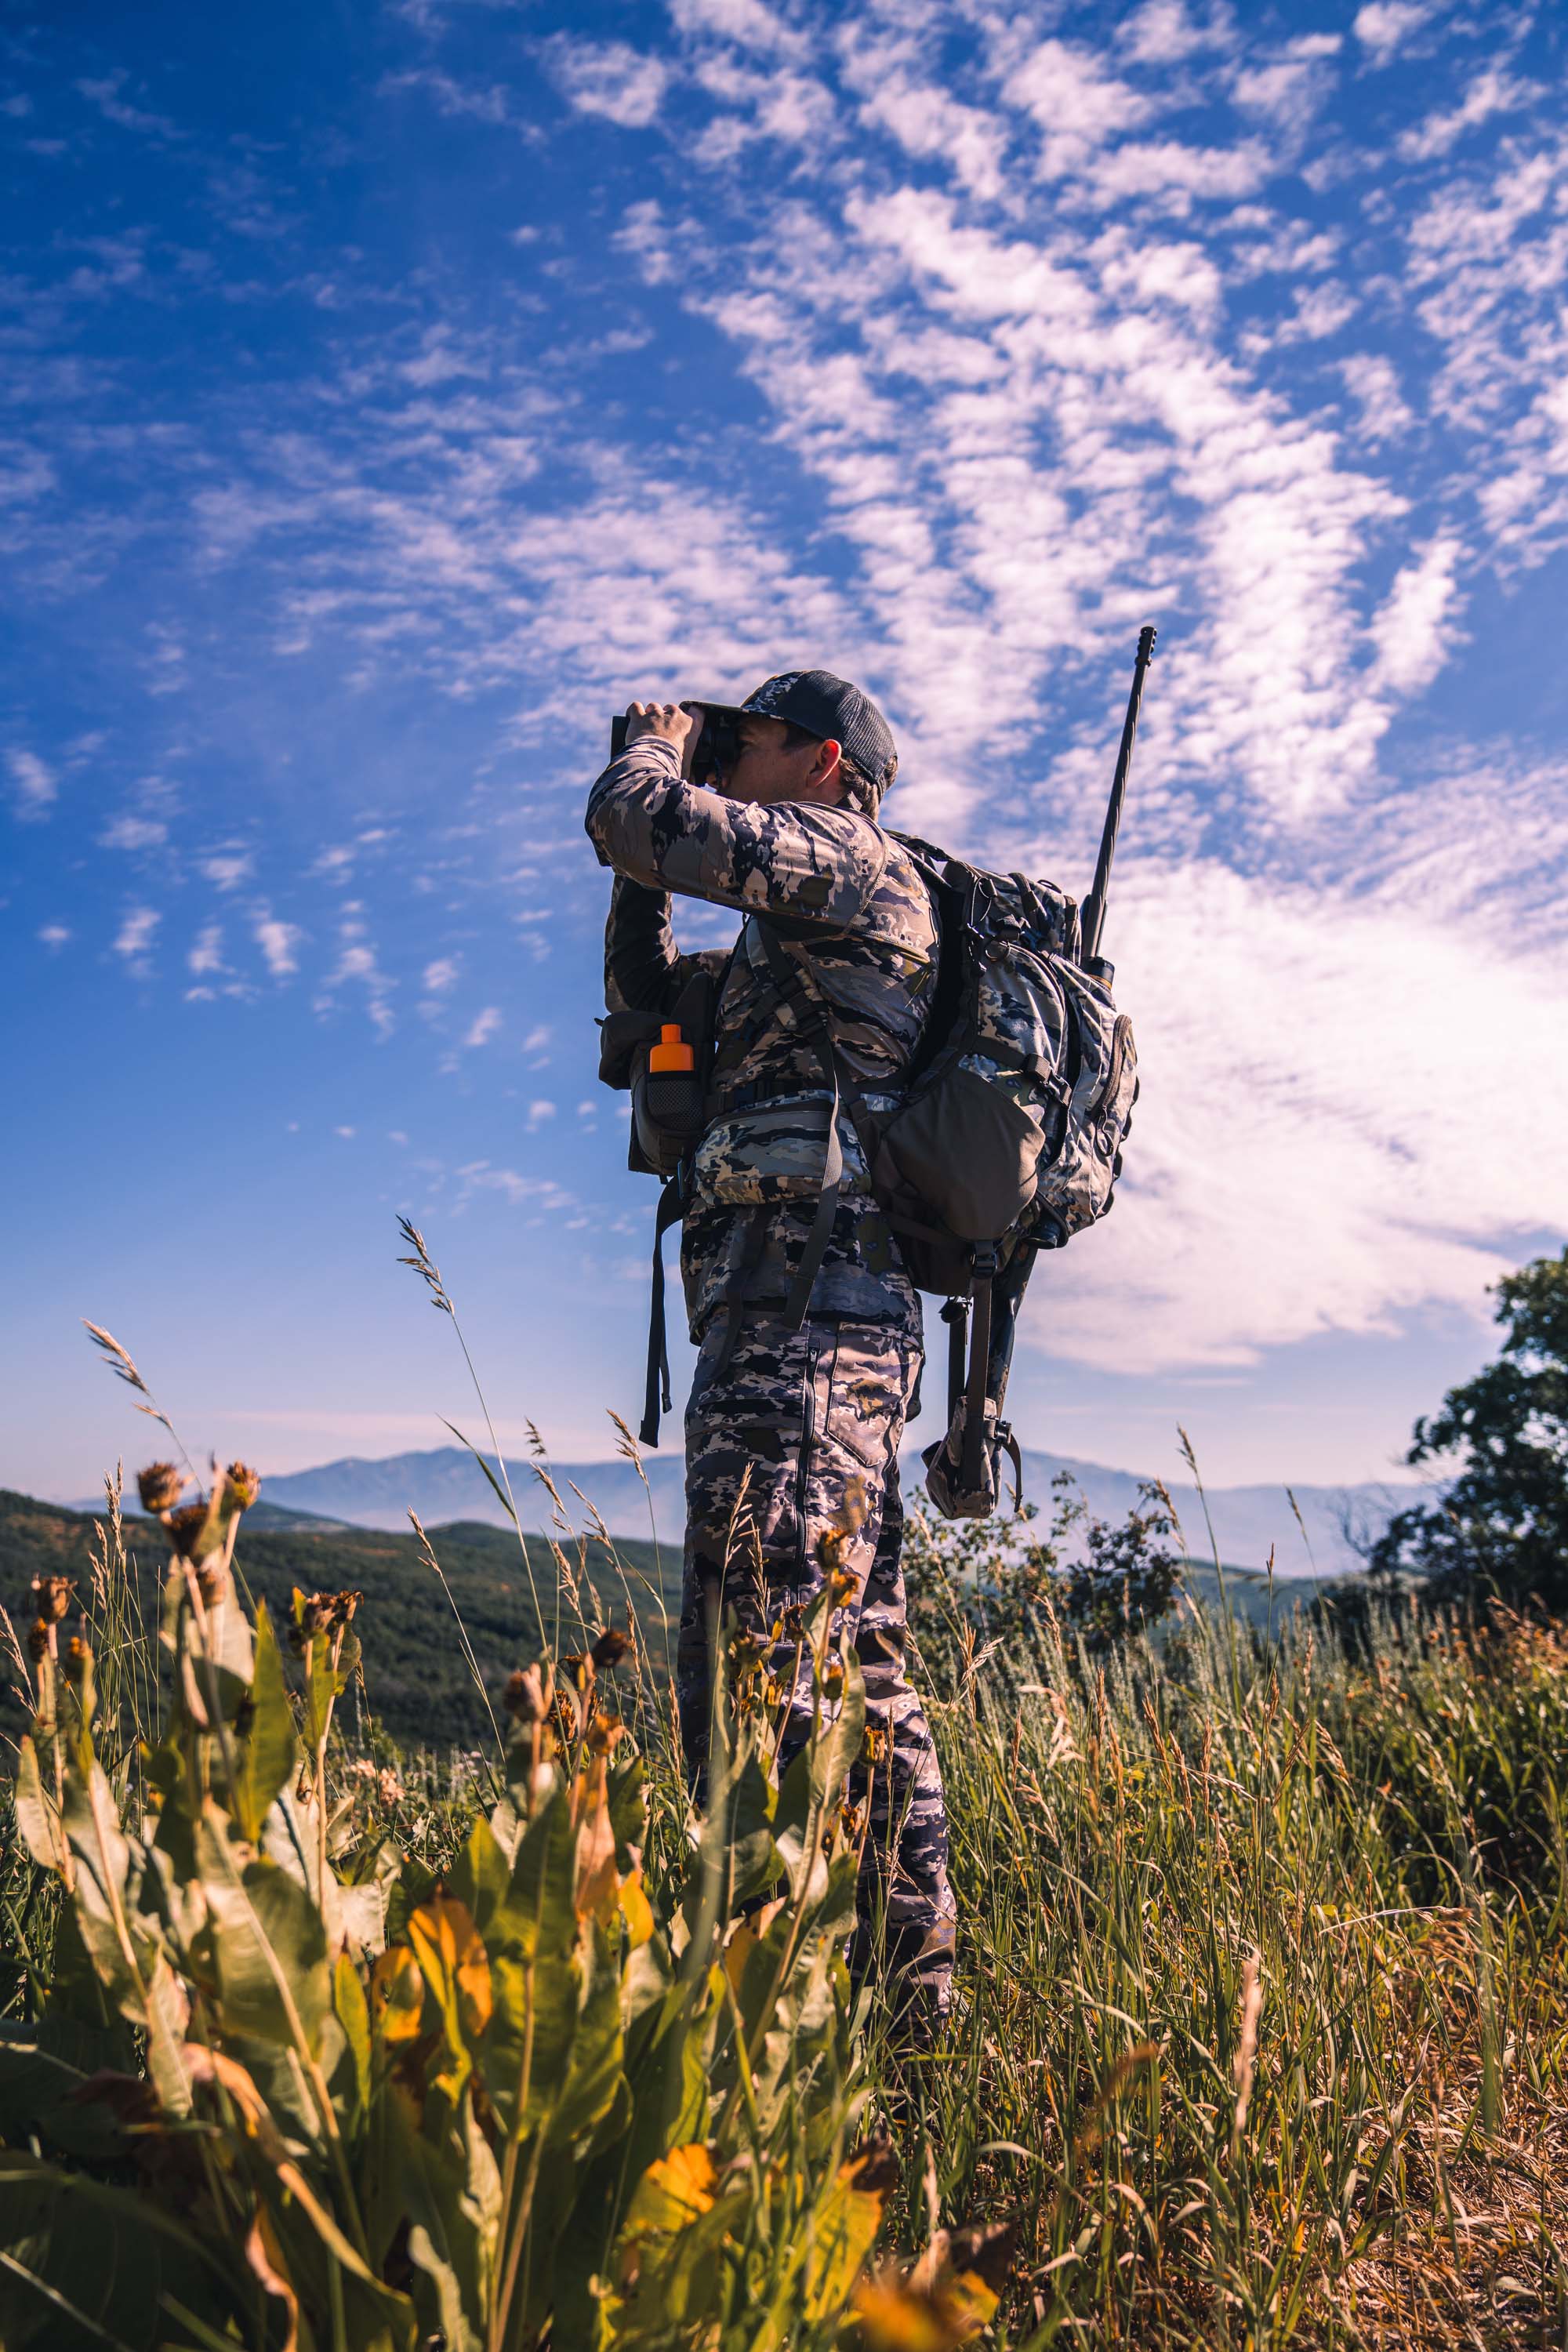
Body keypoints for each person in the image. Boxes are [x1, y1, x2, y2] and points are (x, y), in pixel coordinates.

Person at [584, 670, 956, 2029]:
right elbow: (647, 988)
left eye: (748, 738)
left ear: (823, 763)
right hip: (799, 1317)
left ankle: (795, 2019)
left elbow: (639, 819)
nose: (723, 753)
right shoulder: (784, 940)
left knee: (764, 1666)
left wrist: (650, 756)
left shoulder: (854, 864)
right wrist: (641, 875)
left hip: (806, 1321)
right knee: (848, 1655)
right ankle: (904, 2010)